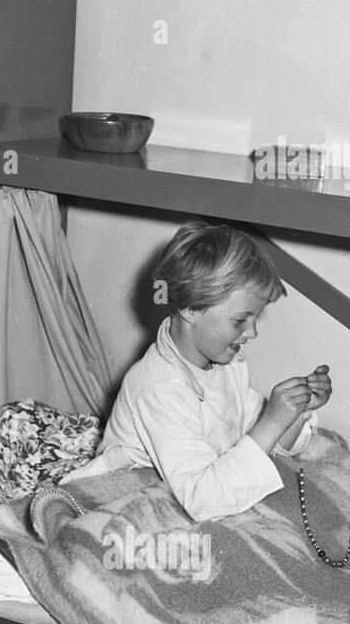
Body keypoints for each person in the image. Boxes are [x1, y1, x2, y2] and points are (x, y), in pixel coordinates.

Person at [68, 221, 331, 522]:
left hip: (196, 493)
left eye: (255, 319)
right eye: (240, 321)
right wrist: (270, 422)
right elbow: (202, 500)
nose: (252, 333)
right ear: (189, 309)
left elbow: (257, 449)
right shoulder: (158, 386)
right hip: (130, 499)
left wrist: (293, 415)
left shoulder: (226, 365)